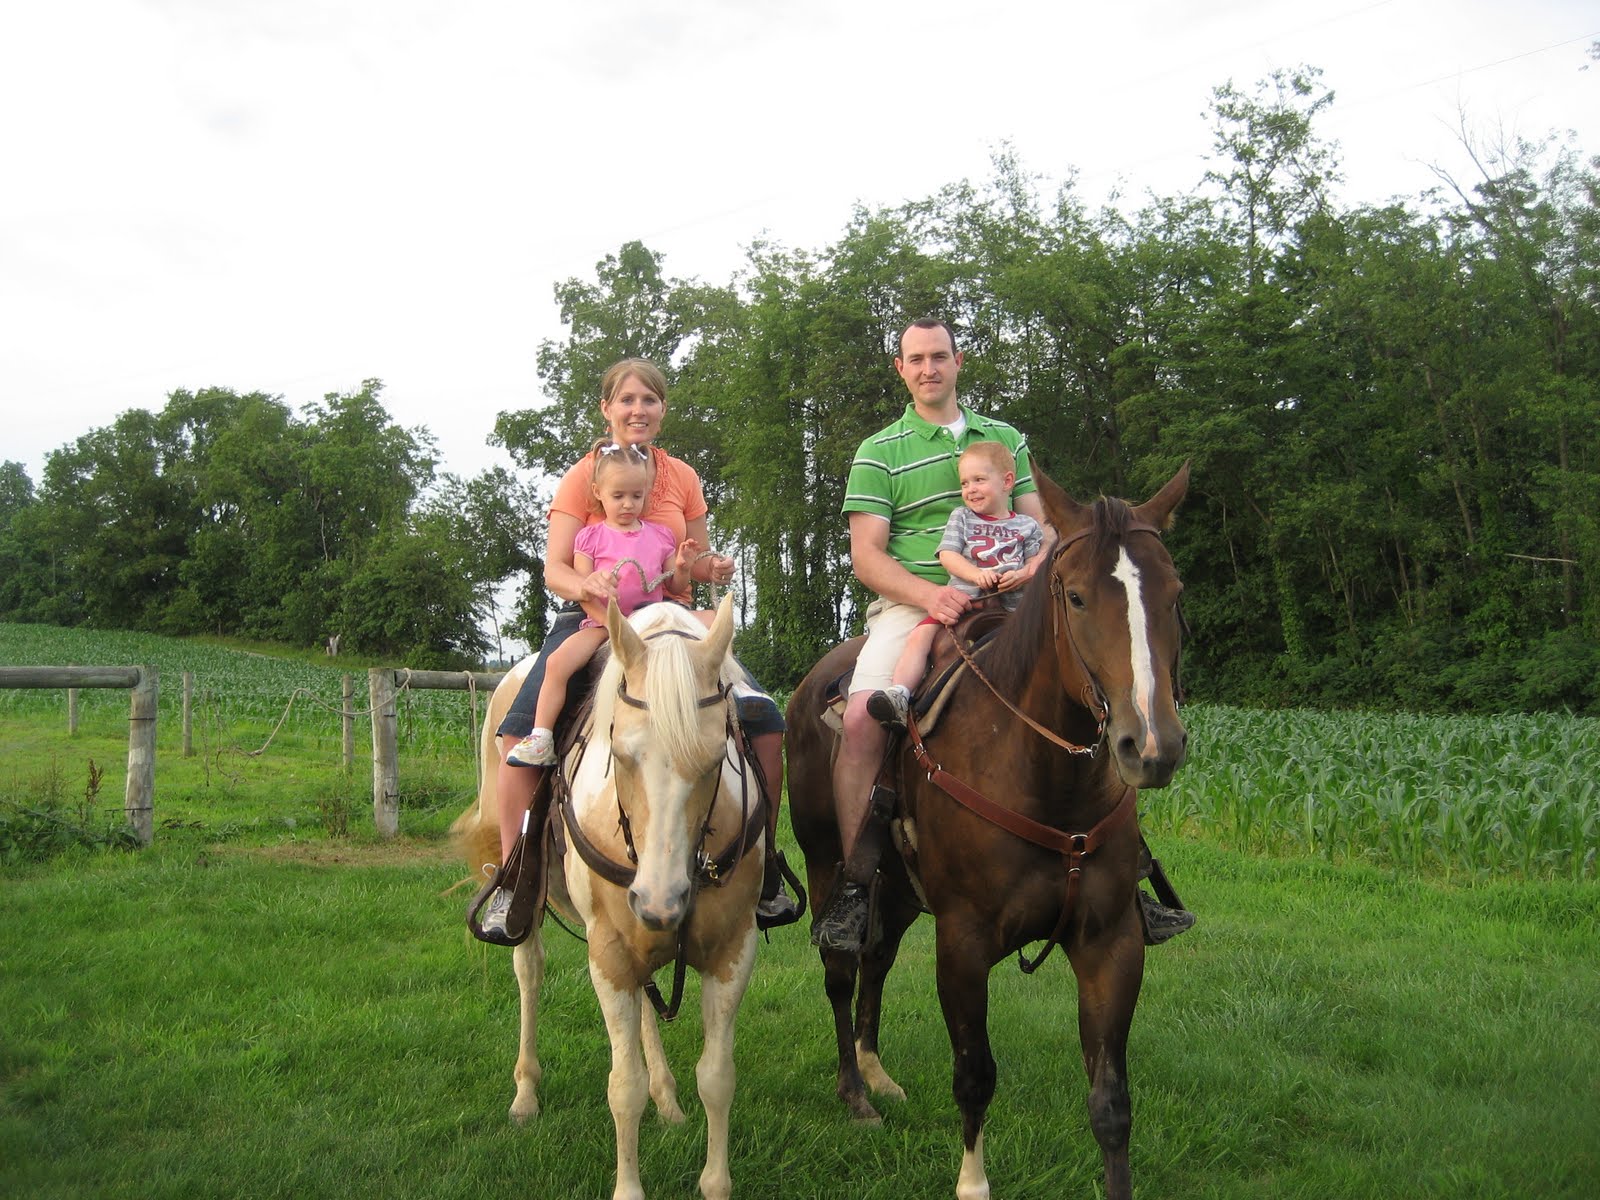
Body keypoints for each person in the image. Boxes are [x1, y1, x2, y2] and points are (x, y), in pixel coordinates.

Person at [810, 318, 1193, 952]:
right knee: (858, 723)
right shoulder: (880, 450)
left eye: (940, 356)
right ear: (900, 370)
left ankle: (1132, 872)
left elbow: (1050, 528)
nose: (928, 367)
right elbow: (868, 558)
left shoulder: (1007, 439)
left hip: (1018, 599)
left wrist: (1032, 573)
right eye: (915, 359)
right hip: (918, 605)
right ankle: (859, 885)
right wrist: (933, 592)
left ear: (959, 362)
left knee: (1092, 690)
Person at [474, 358, 798, 945]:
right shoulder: (583, 474)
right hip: (599, 618)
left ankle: (765, 860)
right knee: (518, 734)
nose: (638, 411)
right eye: (626, 400)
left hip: (672, 619)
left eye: (649, 400)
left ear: (663, 409)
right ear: (607, 409)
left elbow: (690, 559)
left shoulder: (683, 476)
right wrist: (587, 587)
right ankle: (514, 879)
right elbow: (555, 568)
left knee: (764, 716)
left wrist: (710, 564)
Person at [501, 439, 700, 769]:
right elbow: (586, 593)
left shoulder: (662, 536)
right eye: (618, 496)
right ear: (598, 493)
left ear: (647, 493)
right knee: (557, 663)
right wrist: (613, 626)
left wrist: (682, 566)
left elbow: (674, 588)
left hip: (649, 622)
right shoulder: (589, 539)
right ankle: (540, 735)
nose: (627, 504)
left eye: (636, 496)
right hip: (602, 623)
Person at [863, 439, 1045, 729]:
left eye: (979, 480)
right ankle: (899, 693)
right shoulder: (962, 517)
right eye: (964, 483)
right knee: (919, 637)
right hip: (962, 601)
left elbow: (1038, 564)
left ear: (1007, 481)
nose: (970, 489)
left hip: (1012, 609)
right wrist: (975, 575)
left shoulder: (1026, 526)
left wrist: (1023, 574)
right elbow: (947, 555)